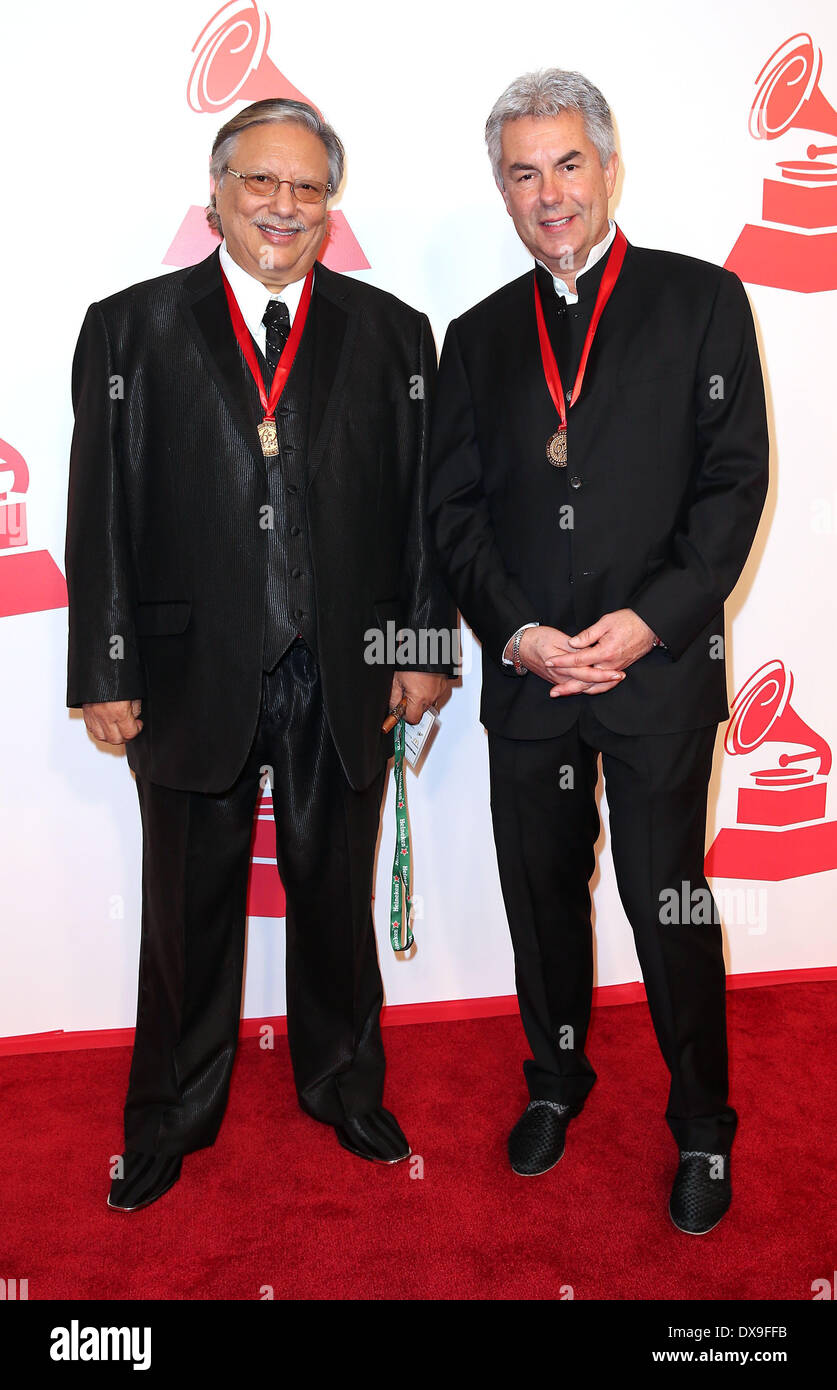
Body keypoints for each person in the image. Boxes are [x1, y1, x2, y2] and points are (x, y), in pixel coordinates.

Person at [66, 98, 451, 1212]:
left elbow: (424, 508)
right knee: (185, 909)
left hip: (346, 665)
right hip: (190, 670)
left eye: (307, 189)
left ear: (331, 206)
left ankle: (342, 1083)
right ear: (217, 193)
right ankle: (171, 1114)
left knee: (332, 894)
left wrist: (422, 648)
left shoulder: (391, 334)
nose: (283, 208)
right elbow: (100, 509)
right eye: (260, 184)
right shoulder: (129, 328)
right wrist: (105, 665)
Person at [429, 69, 768, 1233]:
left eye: (568, 163)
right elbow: (455, 513)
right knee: (541, 900)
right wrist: (518, 633)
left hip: (657, 675)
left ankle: (704, 1126)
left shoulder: (703, 301)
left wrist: (649, 620)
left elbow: (734, 488)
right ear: (503, 191)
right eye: (523, 172)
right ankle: (557, 1077)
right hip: (531, 683)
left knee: (668, 901)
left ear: (608, 167)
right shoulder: (472, 339)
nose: (549, 192)